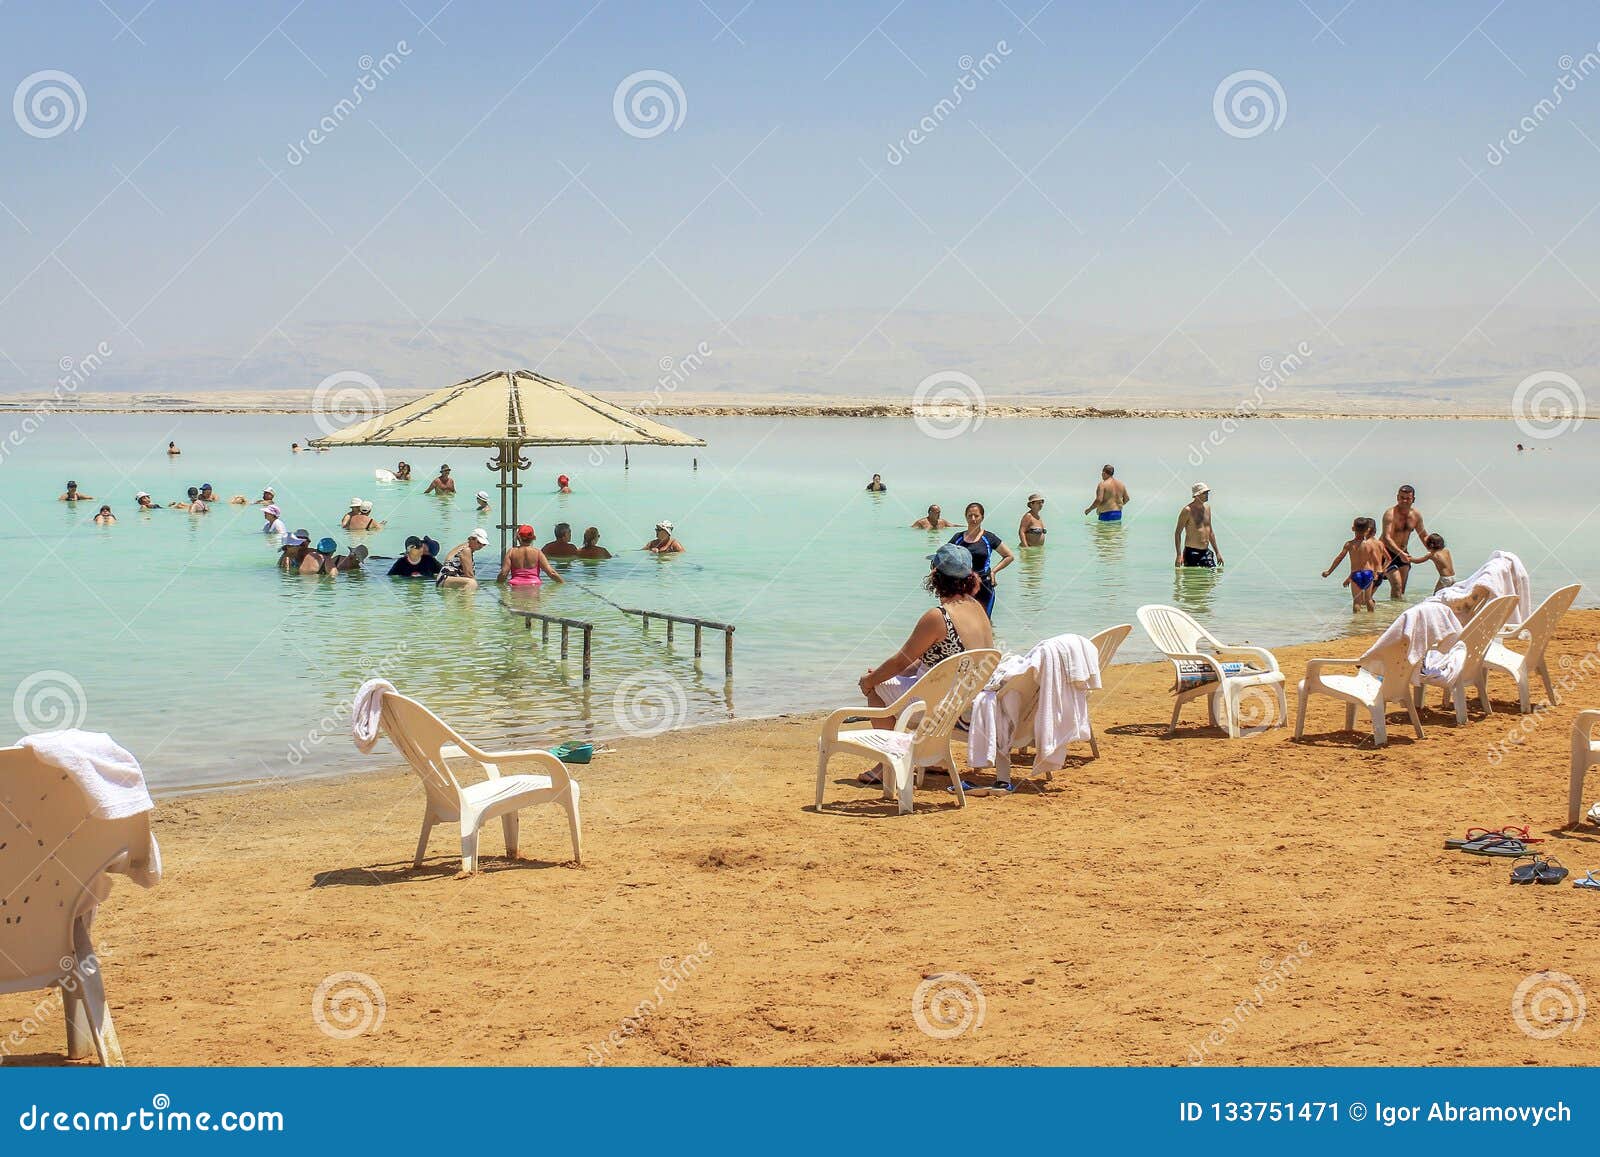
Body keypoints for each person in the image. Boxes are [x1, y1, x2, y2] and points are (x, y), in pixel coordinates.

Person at [855, 543, 994, 784]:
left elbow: (901, 660)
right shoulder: (977, 608)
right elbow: (929, 658)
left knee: (876, 689)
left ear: (935, 575)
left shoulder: (938, 616)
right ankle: (935, 759)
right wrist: (881, 674)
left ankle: (886, 763)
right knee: (882, 679)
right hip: (968, 701)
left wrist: (872, 679)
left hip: (944, 707)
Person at [949, 502, 1012, 618]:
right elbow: (945, 559)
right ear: (965, 517)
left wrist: (994, 571)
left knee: (985, 622)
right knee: (962, 622)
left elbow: (1009, 556)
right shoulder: (957, 538)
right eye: (970, 516)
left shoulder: (989, 538)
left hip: (984, 586)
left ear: (982, 517)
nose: (973, 519)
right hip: (962, 587)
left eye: (976, 516)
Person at [1321, 517, 1391, 612]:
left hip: (1356, 574)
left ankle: (1356, 623)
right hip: (1368, 573)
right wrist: (1375, 573)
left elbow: (1339, 558)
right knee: (1368, 599)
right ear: (1367, 530)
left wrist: (1329, 571)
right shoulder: (1369, 544)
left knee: (1357, 602)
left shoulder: (1349, 544)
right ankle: (1371, 620)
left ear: (1353, 528)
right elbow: (1376, 561)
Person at [1380, 484, 1429, 598]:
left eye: (1408, 498)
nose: (1404, 501)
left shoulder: (1416, 515)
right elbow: (1387, 538)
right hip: (1385, 553)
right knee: (1396, 585)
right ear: (1397, 497)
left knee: (1400, 591)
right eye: (1402, 497)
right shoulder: (1390, 514)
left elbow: (1424, 536)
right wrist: (1400, 553)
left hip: (1403, 554)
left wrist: (1436, 551)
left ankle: (1395, 613)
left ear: (1413, 499)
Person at [497, 525, 563, 587]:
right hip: (534, 585)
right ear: (533, 538)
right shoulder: (537, 553)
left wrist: (498, 584)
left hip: (515, 585)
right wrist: (562, 583)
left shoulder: (511, 552)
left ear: (518, 537)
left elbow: (503, 573)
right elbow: (551, 573)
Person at [1174, 484, 1223, 568]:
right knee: (1192, 580)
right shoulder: (1187, 510)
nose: (1207, 495)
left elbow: (1210, 532)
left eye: (1207, 493)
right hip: (1192, 553)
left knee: (1213, 579)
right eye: (1204, 493)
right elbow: (1178, 533)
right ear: (1196, 495)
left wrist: (1217, 552)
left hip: (1206, 552)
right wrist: (1179, 555)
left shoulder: (1207, 508)